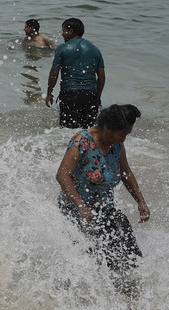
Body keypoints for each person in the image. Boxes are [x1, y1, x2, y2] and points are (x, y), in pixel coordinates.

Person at [55, 104, 150, 291]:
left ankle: (131, 289)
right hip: (77, 212)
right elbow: (62, 175)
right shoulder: (81, 141)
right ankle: (93, 294)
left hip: (104, 208)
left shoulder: (117, 145)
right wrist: (81, 206)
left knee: (129, 249)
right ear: (107, 127)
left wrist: (140, 201)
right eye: (122, 134)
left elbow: (126, 173)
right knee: (97, 256)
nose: (124, 139)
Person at [45, 18, 105, 128]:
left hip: (69, 94)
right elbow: (101, 77)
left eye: (63, 31)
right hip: (90, 95)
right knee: (89, 130)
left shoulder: (62, 48)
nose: (63, 34)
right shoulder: (95, 49)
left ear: (70, 31)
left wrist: (49, 93)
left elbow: (54, 72)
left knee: (67, 130)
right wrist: (97, 96)